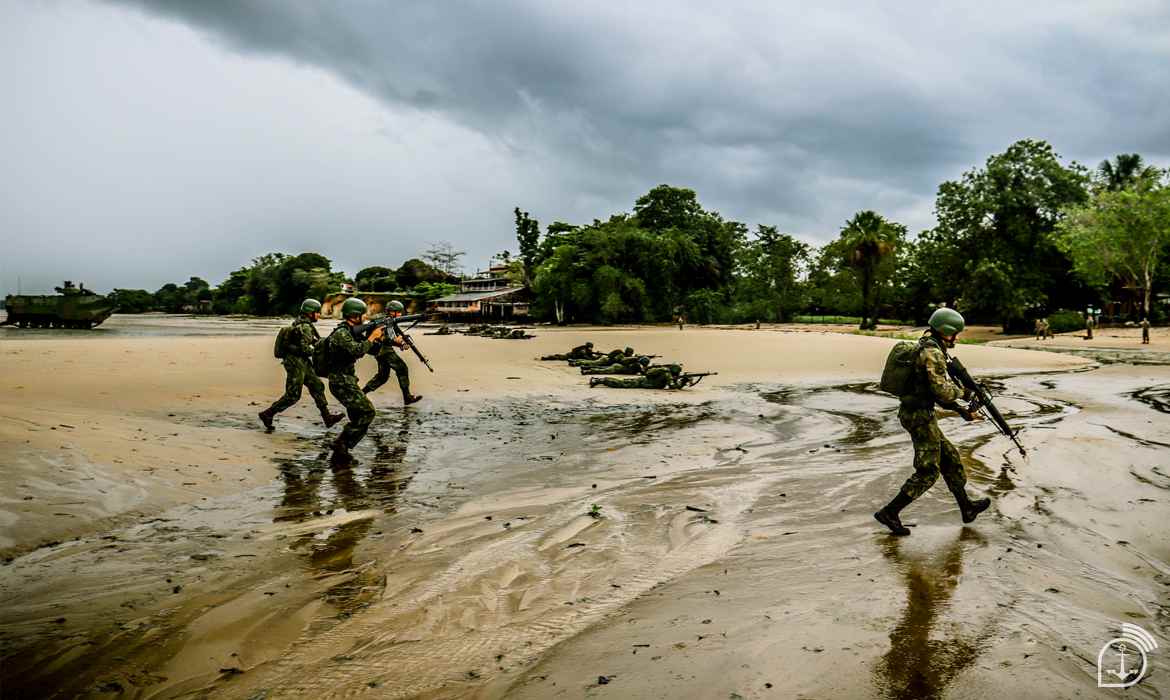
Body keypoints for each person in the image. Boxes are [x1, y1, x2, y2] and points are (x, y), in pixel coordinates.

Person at [874, 307, 989, 536]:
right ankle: (890, 512)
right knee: (929, 471)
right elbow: (943, 392)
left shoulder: (930, 346)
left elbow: (933, 392)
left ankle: (966, 507)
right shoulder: (932, 354)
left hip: (920, 413)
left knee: (951, 460)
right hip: (918, 417)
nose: (956, 337)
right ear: (946, 331)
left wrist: (964, 412)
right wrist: (965, 394)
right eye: (955, 333)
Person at [259, 299, 344, 432]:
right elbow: (305, 349)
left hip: (302, 361)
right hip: (295, 362)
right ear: (310, 313)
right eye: (316, 313)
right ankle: (268, 414)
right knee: (293, 395)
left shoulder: (304, 324)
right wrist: (319, 353)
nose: (318, 315)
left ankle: (327, 417)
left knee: (317, 386)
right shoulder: (305, 326)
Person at [324, 297, 386, 467]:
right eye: (362, 315)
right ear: (355, 315)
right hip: (340, 382)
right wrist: (372, 336)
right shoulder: (341, 333)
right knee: (367, 413)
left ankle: (342, 451)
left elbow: (372, 351)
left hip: (347, 381)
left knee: (358, 416)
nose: (365, 318)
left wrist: (378, 338)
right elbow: (357, 350)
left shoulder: (353, 332)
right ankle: (340, 444)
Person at [362, 300, 423, 406]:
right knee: (402, 368)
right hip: (381, 349)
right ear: (391, 312)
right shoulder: (383, 320)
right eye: (398, 312)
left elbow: (391, 339)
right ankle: (407, 397)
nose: (400, 314)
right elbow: (382, 337)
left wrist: (400, 344)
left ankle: (362, 394)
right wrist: (398, 342)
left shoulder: (389, 320)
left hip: (380, 349)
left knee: (383, 376)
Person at [589, 364, 686, 389]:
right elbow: (672, 386)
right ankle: (599, 380)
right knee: (621, 384)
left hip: (643, 381)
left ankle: (599, 380)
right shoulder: (667, 373)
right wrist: (683, 382)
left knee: (622, 382)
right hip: (643, 383)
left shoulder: (665, 372)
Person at [580, 355, 651, 375]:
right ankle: (587, 371)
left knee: (601, 368)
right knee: (602, 371)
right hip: (617, 368)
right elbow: (643, 373)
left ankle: (586, 367)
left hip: (618, 366)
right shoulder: (637, 366)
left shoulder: (635, 362)